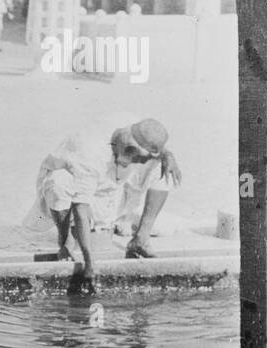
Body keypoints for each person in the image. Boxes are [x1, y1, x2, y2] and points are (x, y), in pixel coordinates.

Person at [24, 116, 182, 292]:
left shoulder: (135, 128)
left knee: (163, 168)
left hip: (111, 190)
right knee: (59, 182)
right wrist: (89, 262)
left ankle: (140, 240)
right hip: (73, 195)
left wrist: (168, 155)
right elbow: (80, 209)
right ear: (129, 150)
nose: (143, 162)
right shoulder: (89, 152)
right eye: (140, 158)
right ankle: (65, 240)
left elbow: (154, 146)